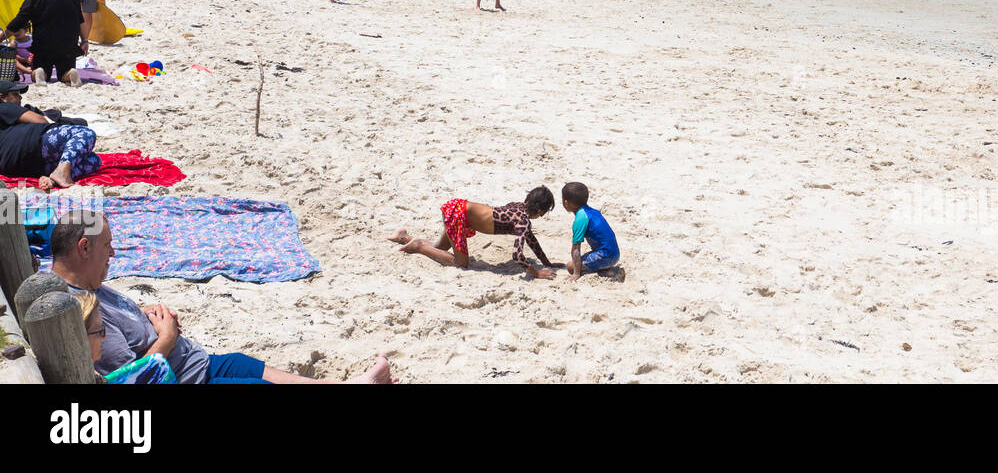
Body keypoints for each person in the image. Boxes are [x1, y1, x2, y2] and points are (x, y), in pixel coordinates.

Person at [51, 211, 394, 383]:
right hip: (186, 376)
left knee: (255, 368)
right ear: (84, 247)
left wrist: (139, 313)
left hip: (192, 362)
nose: (113, 253)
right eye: (107, 246)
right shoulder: (83, 310)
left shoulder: (78, 283)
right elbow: (132, 377)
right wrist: (167, 336)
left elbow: (117, 327)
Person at [387, 187, 557, 279]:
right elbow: (518, 256)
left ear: (527, 200)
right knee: (461, 263)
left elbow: (530, 239)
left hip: (458, 207)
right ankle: (417, 246)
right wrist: (537, 272)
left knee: (441, 247)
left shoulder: (518, 206)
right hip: (460, 215)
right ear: (542, 212)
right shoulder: (523, 221)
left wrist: (547, 262)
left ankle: (404, 237)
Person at [0, 81, 99, 187]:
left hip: (18, 166)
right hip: (32, 145)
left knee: (94, 160)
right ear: (2, 97)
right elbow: (40, 120)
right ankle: (61, 173)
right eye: (15, 94)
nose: (20, 98)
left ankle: (53, 178)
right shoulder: (4, 106)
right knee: (85, 132)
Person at [561, 182, 620, 280]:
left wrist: (576, 273)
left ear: (566, 203)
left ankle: (606, 270)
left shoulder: (580, 219)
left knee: (570, 266)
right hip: (615, 253)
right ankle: (603, 269)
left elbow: (576, 249)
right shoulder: (593, 211)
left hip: (607, 256)